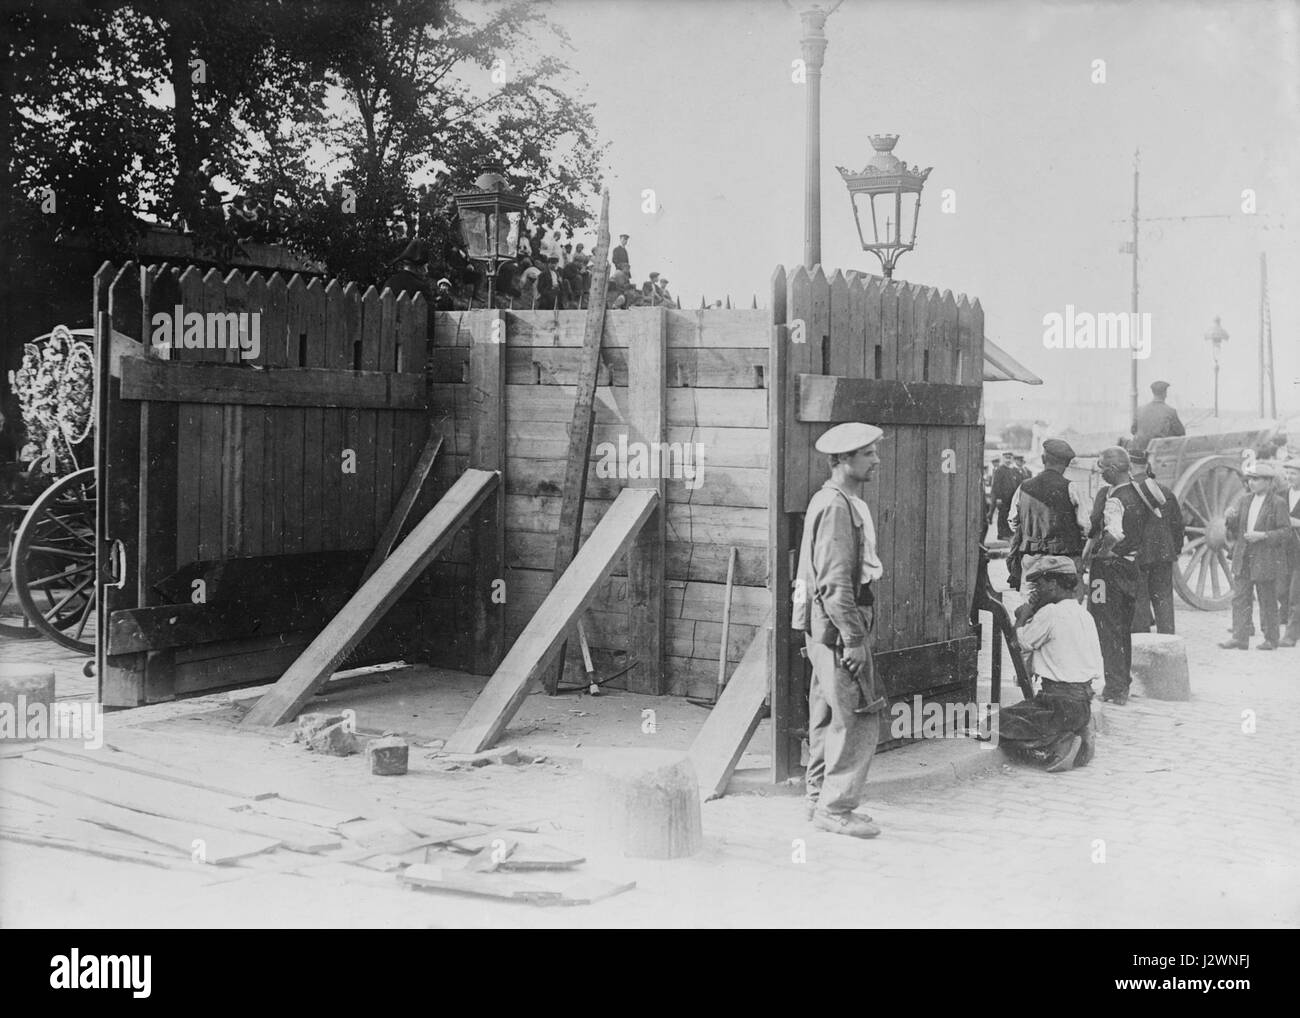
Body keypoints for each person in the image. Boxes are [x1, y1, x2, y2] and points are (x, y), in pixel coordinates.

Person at [792, 422, 889, 839]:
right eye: (868, 453)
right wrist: (853, 639)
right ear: (842, 460)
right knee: (858, 716)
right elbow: (834, 583)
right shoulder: (835, 506)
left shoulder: (833, 500)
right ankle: (835, 807)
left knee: (827, 714)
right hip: (838, 627)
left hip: (822, 628)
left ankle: (818, 799)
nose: (876, 460)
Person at [1000, 556, 1103, 772]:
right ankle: (1077, 731)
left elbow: (1019, 642)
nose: (1036, 591)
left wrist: (1024, 613)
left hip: (1057, 703)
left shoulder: (1050, 613)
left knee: (991, 723)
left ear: (1054, 585)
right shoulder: (1084, 615)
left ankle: (1057, 746)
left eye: (1039, 585)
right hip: (1082, 704)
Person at [1083, 446, 1150, 705]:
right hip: (1129, 568)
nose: (1100, 473)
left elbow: (1114, 533)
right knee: (1122, 627)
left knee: (1105, 624)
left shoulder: (1114, 499)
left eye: (1102, 468)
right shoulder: (1137, 492)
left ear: (1112, 470)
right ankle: (1122, 682)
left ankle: (1114, 688)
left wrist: (1103, 552)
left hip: (1106, 572)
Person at [1220, 462, 1292, 650]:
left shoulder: (1278, 503)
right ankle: (1240, 637)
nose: (1252, 482)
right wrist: (1230, 517)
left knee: (1266, 598)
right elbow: (1236, 529)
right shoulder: (1244, 500)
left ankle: (1271, 639)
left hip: (1265, 557)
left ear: (1268, 482)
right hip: (1244, 555)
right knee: (1240, 597)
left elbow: (1285, 532)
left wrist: (1264, 536)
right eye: (1250, 479)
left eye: (1257, 479)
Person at [1006, 438, 1090, 599]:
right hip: (1065, 559)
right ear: (1066, 464)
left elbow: (1013, 522)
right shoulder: (1072, 487)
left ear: (1044, 459)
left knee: (1032, 610)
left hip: (1032, 559)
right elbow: (1085, 526)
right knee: (1066, 610)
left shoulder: (1024, 487)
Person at [1129, 450, 1184, 634]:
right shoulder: (1165, 491)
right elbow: (1178, 526)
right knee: (1164, 601)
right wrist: (1174, 550)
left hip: (1137, 556)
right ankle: (1168, 642)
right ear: (1146, 466)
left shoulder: (1127, 492)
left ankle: (1143, 643)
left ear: (1130, 466)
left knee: (1139, 602)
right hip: (1163, 554)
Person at [1278, 457, 1300, 647]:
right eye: (1288, 473)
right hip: (1284, 552)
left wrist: (1296, 523)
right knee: (1281, 590)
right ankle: (1283, 619)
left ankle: (1291, 635)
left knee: (1296, 595)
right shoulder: (1282, 494)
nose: (1289, 477)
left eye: (1294, 473)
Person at [1132, 380, 1185, 453]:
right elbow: (1181, 433)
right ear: (1165, 394)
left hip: (1140, 453)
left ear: (1153, 393)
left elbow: (1133, 430)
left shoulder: (1139, 410)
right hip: (1159, 453)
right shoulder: (1170, 411)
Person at [991, 451, 1021, 540]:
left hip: (1011, 498)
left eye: (1009, 458)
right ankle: (1001, 534)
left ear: (1012, 459)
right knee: (1002, 515)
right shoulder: (1000, 470)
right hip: (1003, 498)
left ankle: (1007, 532)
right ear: (1003, 459)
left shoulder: (1012, 470)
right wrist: (998, 498)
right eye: (1006, 458)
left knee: (1009, 515)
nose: (1008, 460)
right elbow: (996, 485)